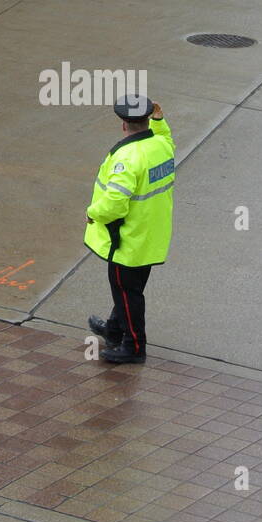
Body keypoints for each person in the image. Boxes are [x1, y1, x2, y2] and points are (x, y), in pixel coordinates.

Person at [85, 95, 175, 364]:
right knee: (128, 288)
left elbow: (115, 202)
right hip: (150, 233)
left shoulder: (127, 158)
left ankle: (134, 347)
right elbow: (166, 137)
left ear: (124, 124)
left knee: (127, 292)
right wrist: (160, 122)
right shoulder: (162, 145)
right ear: (148, 119)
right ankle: (114, 330)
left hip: (127, 239)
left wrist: (93, 213)